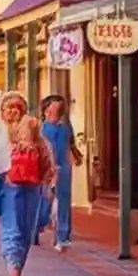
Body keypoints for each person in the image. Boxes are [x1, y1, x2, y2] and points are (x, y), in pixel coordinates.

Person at [1, 115, 57, 276]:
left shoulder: (9, 142)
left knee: (11, 232)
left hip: (11, 189)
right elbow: (49, 171)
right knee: (25, 234)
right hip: (33, 190)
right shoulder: (42, 145)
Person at [41, 95, 81, 250]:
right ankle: (38, 227)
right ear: (46, 109)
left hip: (63, 166)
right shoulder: (42, 127)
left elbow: (70, 144)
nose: (56, 107)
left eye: (59, 104)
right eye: (53, 104)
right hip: (46, 167)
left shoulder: (66, 127)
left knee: (63, 200)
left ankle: (63, 235)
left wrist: (75, 156)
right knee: (44, 198)